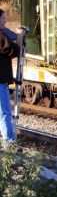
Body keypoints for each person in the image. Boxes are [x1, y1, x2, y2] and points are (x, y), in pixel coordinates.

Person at [0, 8, 26, 143]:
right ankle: (9, 143)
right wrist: (20, 35)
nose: (5, 21)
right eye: (3, 18)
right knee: (4, 113)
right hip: (0, 81)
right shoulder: (1, 36)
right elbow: (15, 51)